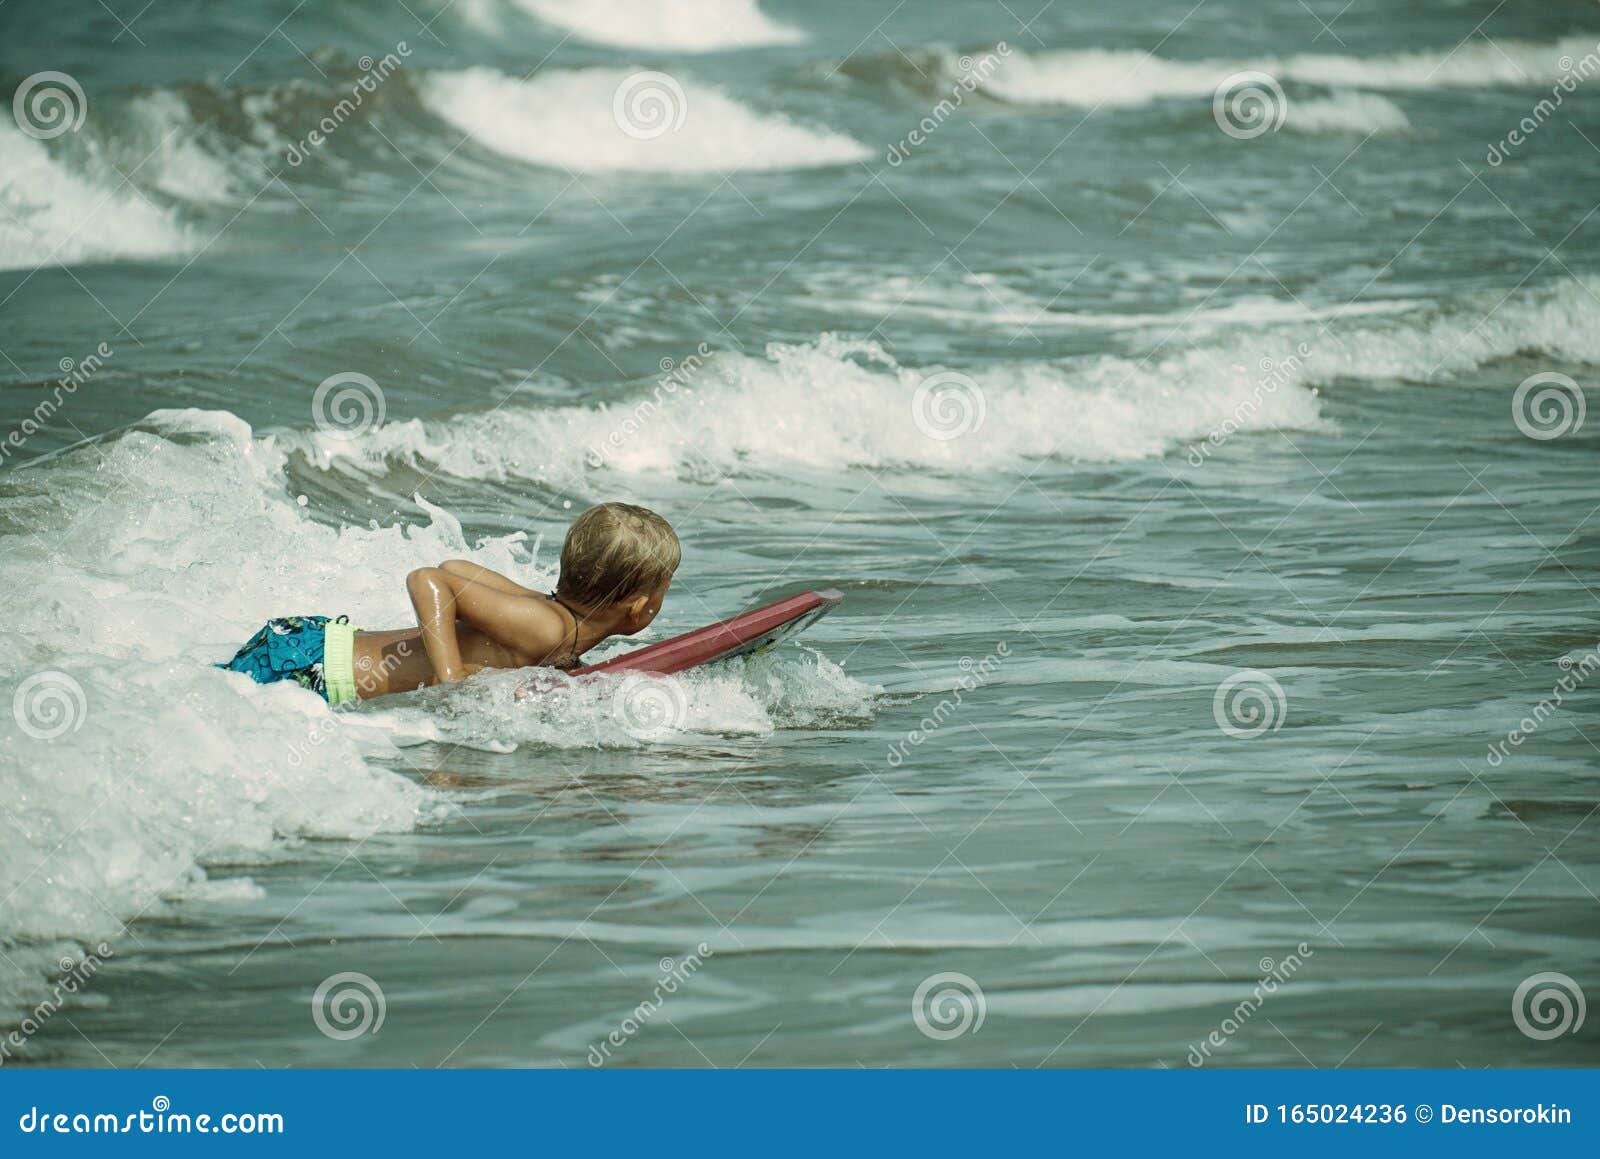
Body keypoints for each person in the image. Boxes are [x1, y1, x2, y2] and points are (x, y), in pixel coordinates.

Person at [218, 503, 678, 703]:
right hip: (315, 671)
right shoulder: (546, 627)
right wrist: (450, 678)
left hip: (312, 646)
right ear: (639, 607)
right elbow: (430, 580)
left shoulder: (547, 618)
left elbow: (455, 565)